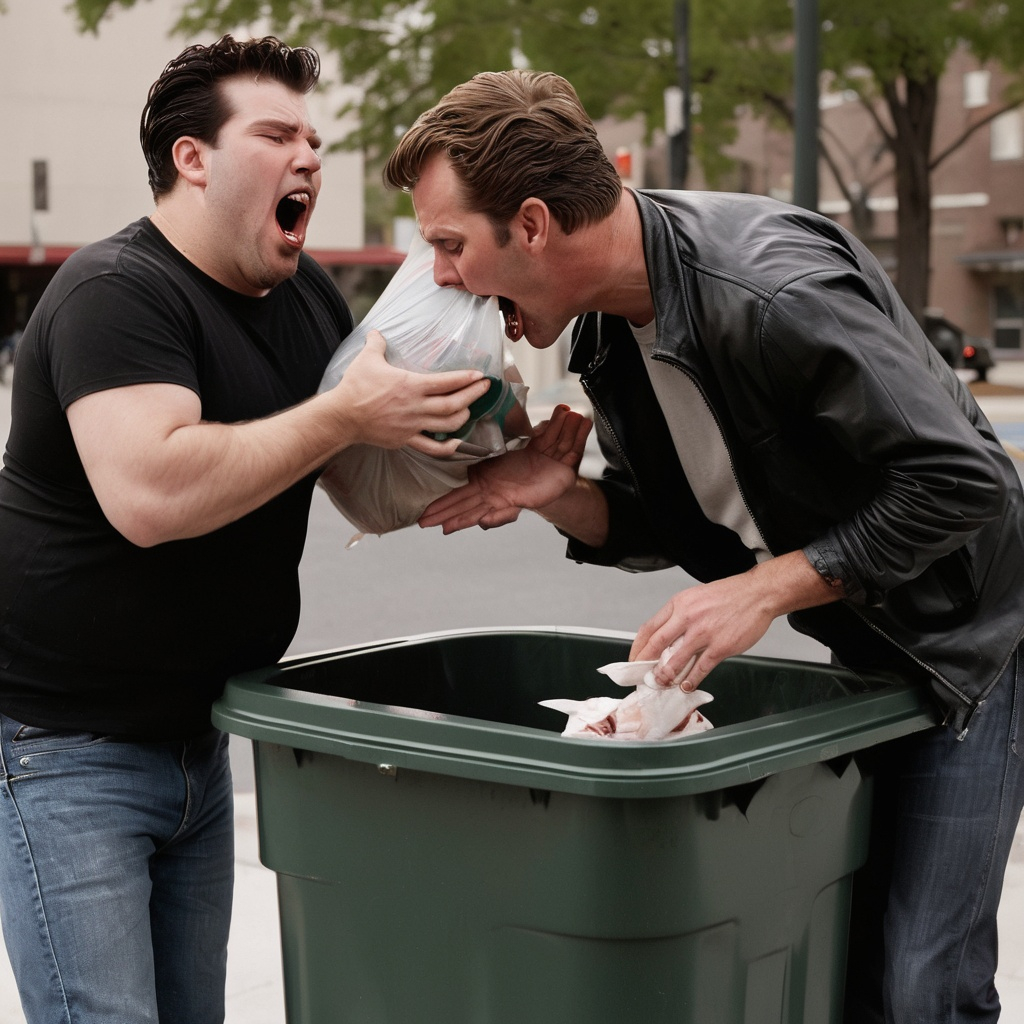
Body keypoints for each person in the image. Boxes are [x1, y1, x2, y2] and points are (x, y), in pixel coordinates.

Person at [383, 70, 1024, 1023]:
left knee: (923, 982)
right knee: (844, 964)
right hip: (870, 642)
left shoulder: (769, 290)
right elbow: (672, 518)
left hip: (977, 638)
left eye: (447, 244)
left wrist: (764, 592)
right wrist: (563, 497)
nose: (438, 275)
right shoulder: (607, 327)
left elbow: (968, 480)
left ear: (530, 225)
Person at [0, 36, 491, 1024]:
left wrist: (498, 474)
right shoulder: (116, 293)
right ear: (194, 158)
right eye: (275, 134)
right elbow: (152, 496)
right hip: (67, 752)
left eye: (313, 136)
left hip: (202, 741)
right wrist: (343, 414)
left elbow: (360, 487)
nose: (308, 155)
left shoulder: (306, 296)